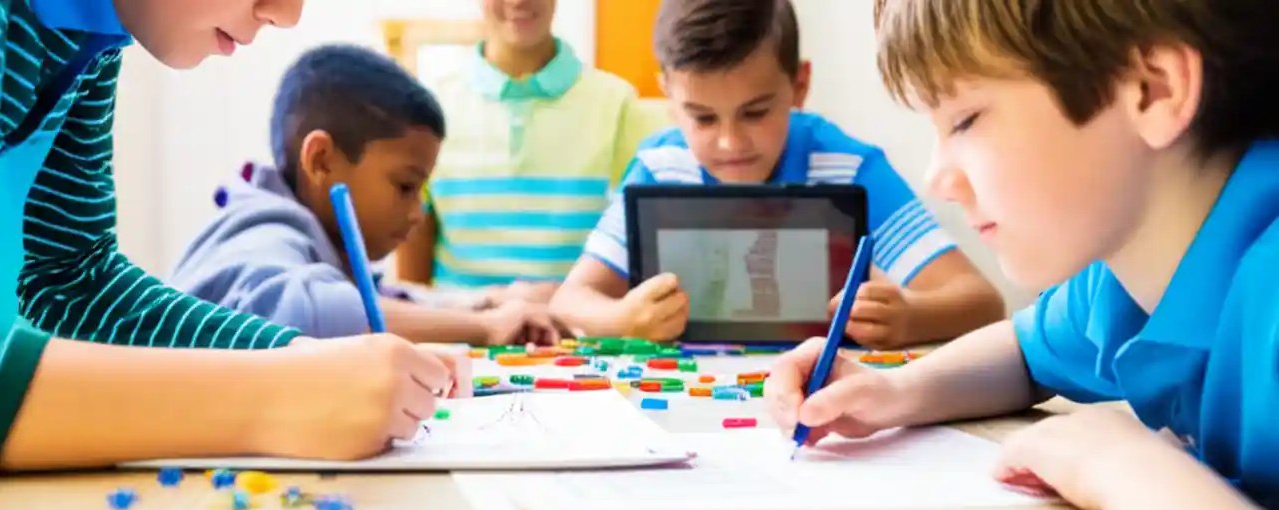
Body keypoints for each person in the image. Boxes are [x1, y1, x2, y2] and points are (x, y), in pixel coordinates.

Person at [767, 1, 1279, 510]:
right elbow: (1026, 351)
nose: (937, 176)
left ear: (1153, 89)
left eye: (966, 120)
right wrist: (896, 391)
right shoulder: (1126, 274)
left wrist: (1125, 469)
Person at [0, 0, 464, 470]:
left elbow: (74, 282)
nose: (287, 14)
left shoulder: (91, 44)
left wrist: (300, 359)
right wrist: (277, 396)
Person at [548, 0, 1005, 346]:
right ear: (669, 96)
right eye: (703, 118)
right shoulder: (659, 168)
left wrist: (910, 316)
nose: (730, 143)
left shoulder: (848, 170)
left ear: (799, 86)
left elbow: (980, 301)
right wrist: (624, 320)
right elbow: (572, 300)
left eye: (756, 112)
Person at [170, 44, 556, 346]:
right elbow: (314, 313)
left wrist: (490, 300)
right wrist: (484, 327)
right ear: (321, 161)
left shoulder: (314, 243)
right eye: (405, 186)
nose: (418, 212)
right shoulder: (258, 236)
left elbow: (378, 296)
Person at [394, 0, 666, 306]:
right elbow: (411, 266)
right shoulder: (430, 105)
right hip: (460, 332)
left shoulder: (617, 103)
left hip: (575, 341)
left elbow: (638, 253)